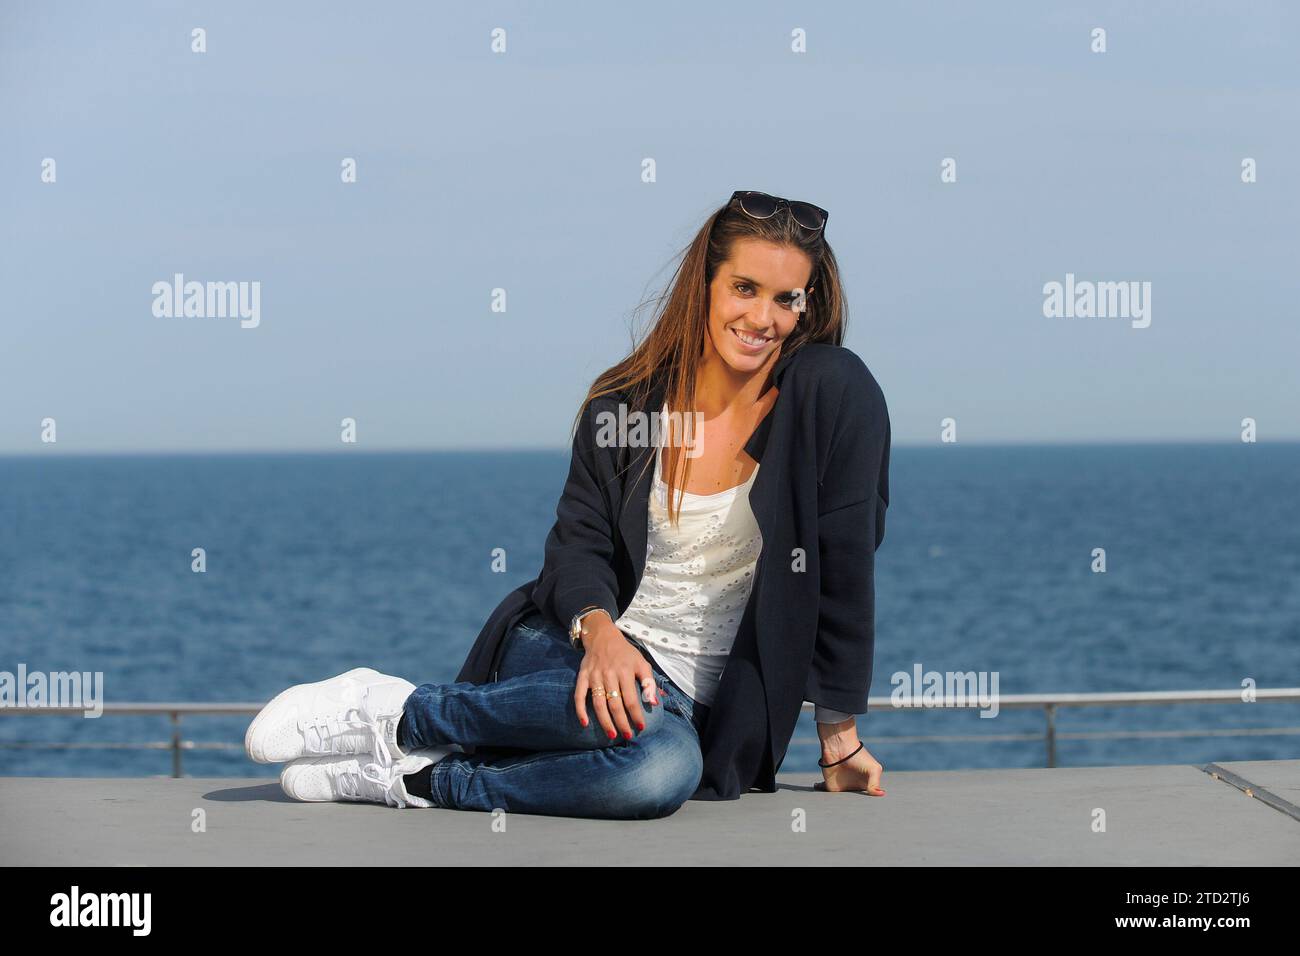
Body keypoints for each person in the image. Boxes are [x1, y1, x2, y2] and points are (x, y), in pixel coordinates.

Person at [245, 189, 891, 819]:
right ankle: (395, 711)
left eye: (786, 299)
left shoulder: (829, 395)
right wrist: (602, 634)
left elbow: (841, 565)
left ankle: (421, 779)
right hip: (571, 644)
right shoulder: (625, 407)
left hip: (693, 710)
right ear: (707, 285)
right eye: (744, 289)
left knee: (663, 769)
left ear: (807, 307)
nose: (762, 318)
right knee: (633, 726)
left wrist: (840, 741)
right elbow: (578, 542)